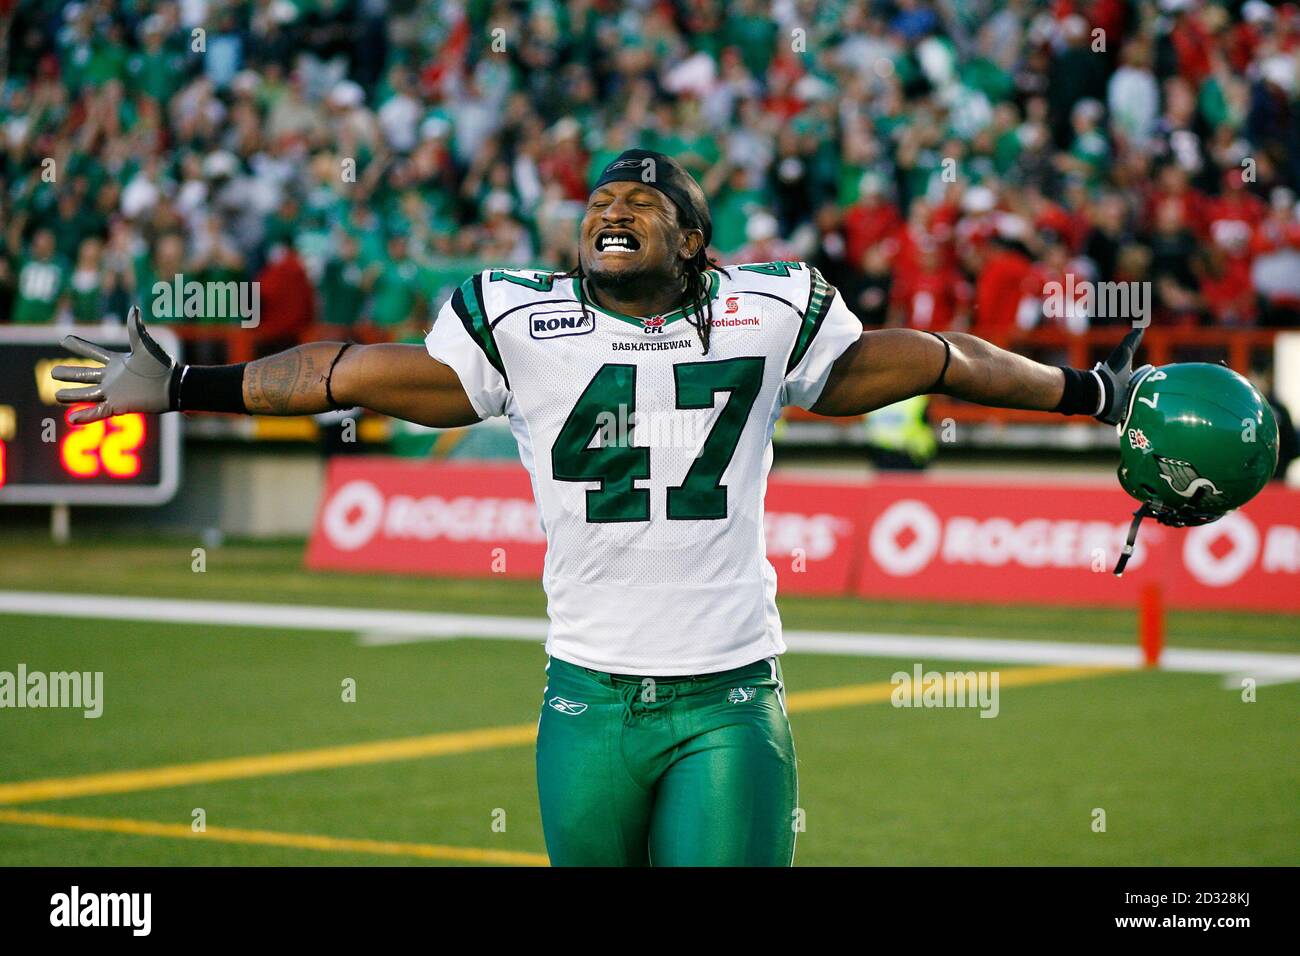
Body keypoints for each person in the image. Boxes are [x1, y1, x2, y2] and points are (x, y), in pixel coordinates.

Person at [52, 149, 1148, 867]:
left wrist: (1092, 391)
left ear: (694, 241)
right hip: (581, 696)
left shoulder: (770, 309)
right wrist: (186, 385)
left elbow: (938, 361)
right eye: (598, 202)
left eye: (641, 202)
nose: (609, 212)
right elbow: (346, 371)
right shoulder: (515, 319)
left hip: (727, 695)